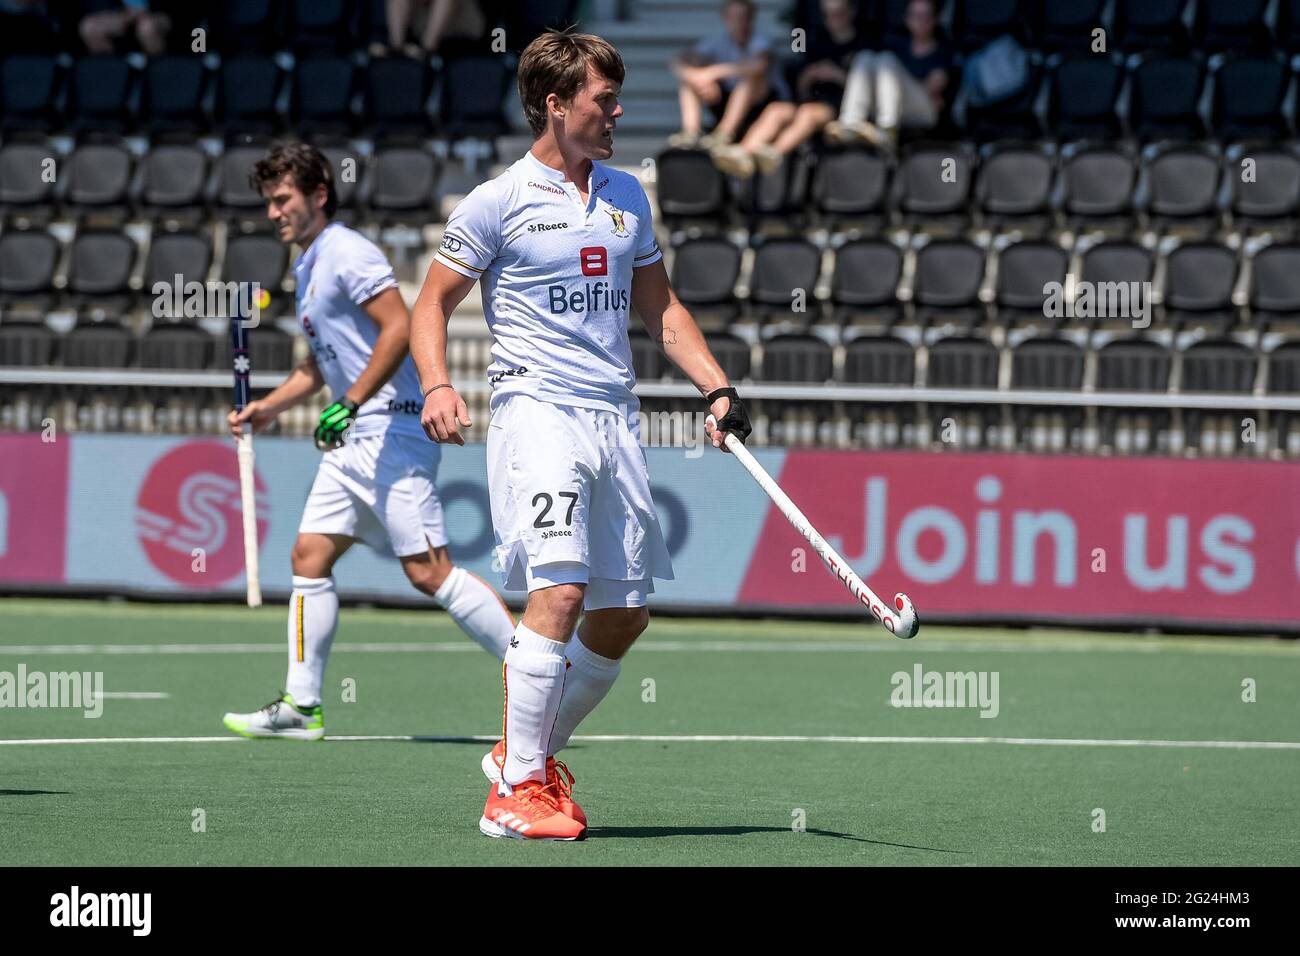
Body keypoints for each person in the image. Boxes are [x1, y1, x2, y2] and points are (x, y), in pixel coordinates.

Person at [410, 30, 753, 840]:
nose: (618, 111)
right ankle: (515, 794)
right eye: (604, 99)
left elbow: (663, 312)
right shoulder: (497, 200)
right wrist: (436, 383)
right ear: (557, 105)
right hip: (537, 411)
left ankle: (523, 754)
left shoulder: (630, 194)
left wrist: (718, 386)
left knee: (623, 612)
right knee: (559, 592)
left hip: (614, 416)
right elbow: (431, 305)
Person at [221, 142, 515, 742]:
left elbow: (400, 327)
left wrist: (350, 402)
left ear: (318, 195)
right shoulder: (307, 266)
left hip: (393, 431)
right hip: (357, 436)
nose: (274, 213)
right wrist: (268, 410)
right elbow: (317, 365)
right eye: (268, 203)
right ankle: (302, 708)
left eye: (283, 200)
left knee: (429, 572)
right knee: (309, 558)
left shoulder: (347, 252)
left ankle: (534, 669)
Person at [711, 0, 864, 177]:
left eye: (838, 13)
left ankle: (774, 153)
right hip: (807, 99)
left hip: (838, 105)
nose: (833, 19)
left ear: (851, 13)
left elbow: (866, 87)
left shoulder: (862, 44)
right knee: (777, 110)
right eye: (828, 14)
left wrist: (836, 75)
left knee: (808, 113)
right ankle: (743, 153)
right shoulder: (811, 39)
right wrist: (808, 75)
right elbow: (798, 67)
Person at [826, 0, 953, 149]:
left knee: (887, 60)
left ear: (935, 19)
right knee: (865, 57)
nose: (920, 21)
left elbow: (933, 88)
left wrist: (896, 83)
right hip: (895, 106)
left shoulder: (942, 50)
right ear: (907, 18)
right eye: (915, 15)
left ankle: (887, 130)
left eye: (925, 15)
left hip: (924, 110)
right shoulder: (897, 46)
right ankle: (850, 123)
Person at [668, 0, 774, 149]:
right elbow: (679, 61)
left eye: (745, 17)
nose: (741, 22)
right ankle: (691, 133)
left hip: (761, 104)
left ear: (752, 19)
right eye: (735, 18)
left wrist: (713, 73)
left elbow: (759, 66)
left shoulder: (761, 40)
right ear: (725, 19)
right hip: (724, 99)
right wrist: (698, 78)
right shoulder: (717, 40)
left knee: (747, 81)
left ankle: (724, 134)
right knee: (688, 83)